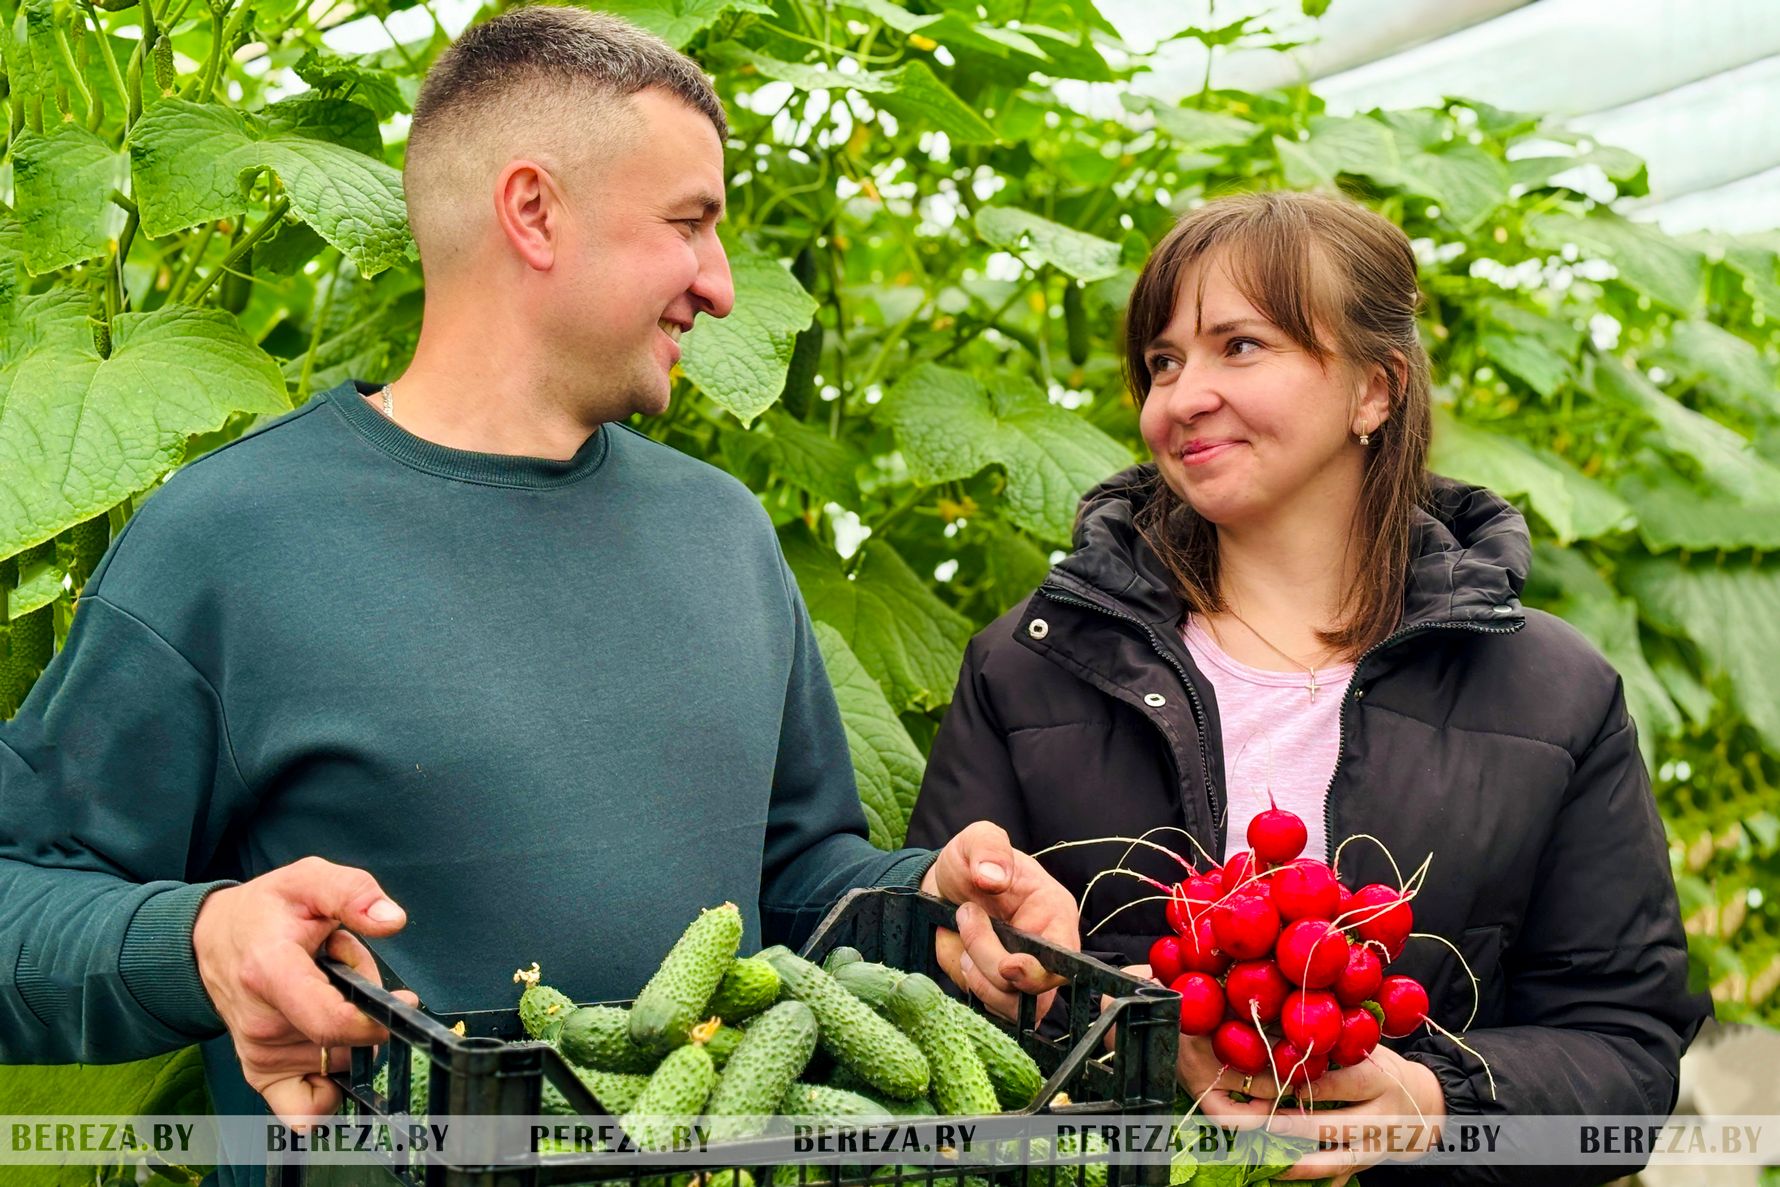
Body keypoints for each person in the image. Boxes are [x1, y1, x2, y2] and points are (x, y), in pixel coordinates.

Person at [0, 6, 1077, 1177]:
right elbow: (20, 900)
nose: (718, 286)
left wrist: (929, 901)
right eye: (689, 225)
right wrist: (200, 938)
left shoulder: (723, 532)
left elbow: (792, 881)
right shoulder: (229, 539)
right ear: (534, 211)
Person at [907, 190, 1711, 1185]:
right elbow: (917, 994)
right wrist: (1036, 983)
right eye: (1162, 361)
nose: (1182, 395)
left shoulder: (1552, 693)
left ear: (1375, 389)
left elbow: (1626, 1049)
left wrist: (1426, 1103)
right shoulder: (1029, 664)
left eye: (1239, 345)